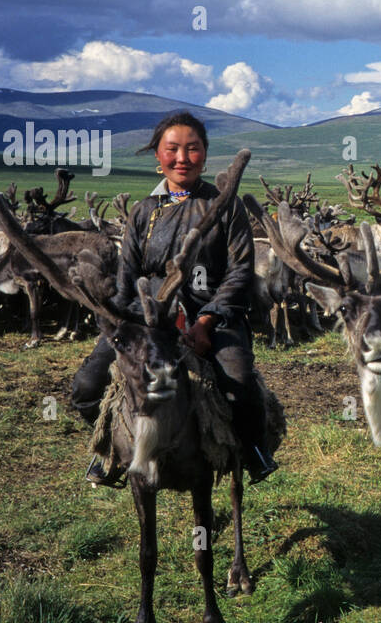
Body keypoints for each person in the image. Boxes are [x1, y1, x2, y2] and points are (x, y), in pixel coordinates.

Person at [71, 111, 278, 483]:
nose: (182, 158)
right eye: (173, 149)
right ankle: (113, 448)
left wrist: (206, 321)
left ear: (205, 153)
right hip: (147, 321)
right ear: (158, 156)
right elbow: (126, 281)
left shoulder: (226, 208)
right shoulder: (142, 213)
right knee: (86, 386)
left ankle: (254, 450)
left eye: (193, 149)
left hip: (212, 319)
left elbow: (240, 272)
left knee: (240, 384)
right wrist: (132, 324)